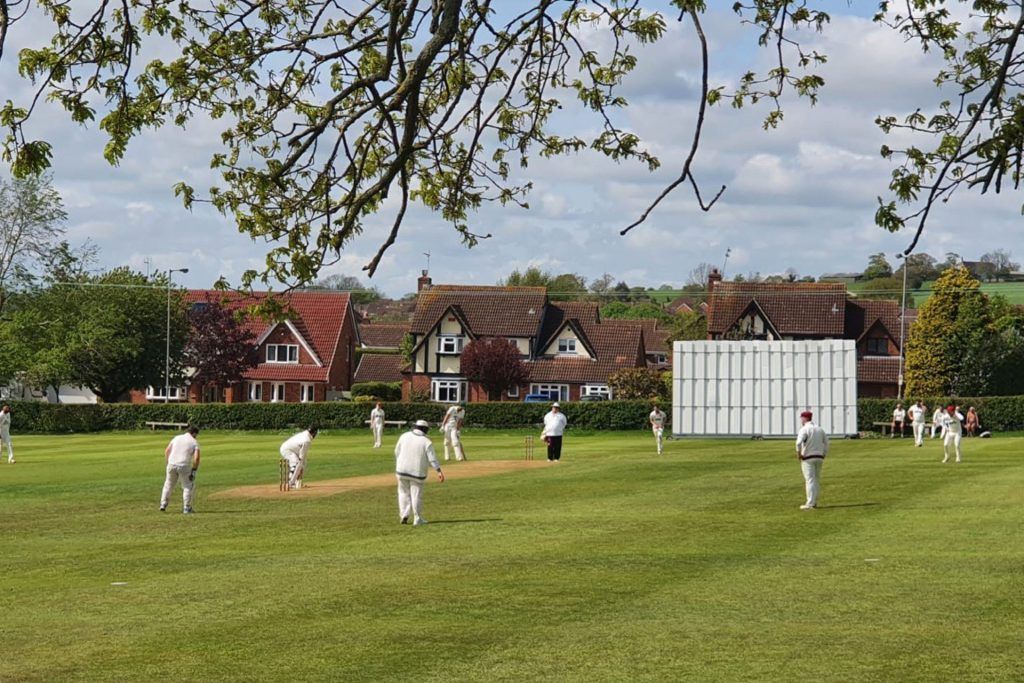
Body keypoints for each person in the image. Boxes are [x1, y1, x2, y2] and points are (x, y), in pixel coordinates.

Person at [394, 419, 445, 526]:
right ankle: (417, 518)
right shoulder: (426, 441)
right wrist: (439, 471)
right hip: (417, 473)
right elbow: (432, 459)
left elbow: (396, 452)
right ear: (425, 429)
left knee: (403, 493)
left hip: (401, 471)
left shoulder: (404, 436)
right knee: (416, 495)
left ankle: (404, 515)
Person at [160, 426, 201, 514]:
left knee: (168, 484)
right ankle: (187, 508)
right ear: (194, 433)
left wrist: (168, 463)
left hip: (171, 464)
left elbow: (167, 451)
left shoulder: (176, 438)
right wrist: (194, 470)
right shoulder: (194, 442)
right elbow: (196, 458)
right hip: (184, 465)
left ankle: (163, 504)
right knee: (187, 486)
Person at [795, 410, 829, 510]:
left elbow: (798, 443)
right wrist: (824, 454)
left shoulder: (804, 429)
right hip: (819, 457)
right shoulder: (819, 429)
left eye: (801, 418)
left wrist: (798, 454)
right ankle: (814, 502)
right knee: (816, 479)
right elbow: (826, 443)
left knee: (810, 480)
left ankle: (810, 503)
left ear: (805, 418)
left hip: (808, 457)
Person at [280, 426, 318, 490]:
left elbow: (303, 458)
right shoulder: (307, 440)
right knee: (296, 463)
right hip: (287, 449)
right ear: (313, 433)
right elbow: (301, 457)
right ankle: (290, 483)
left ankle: (296, 483)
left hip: (293, 449)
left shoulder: (305, 434)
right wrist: (301, 465)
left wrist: (302, 466)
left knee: (300, 464)